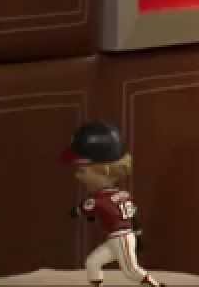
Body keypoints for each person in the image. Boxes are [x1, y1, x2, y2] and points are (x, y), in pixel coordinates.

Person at [62, 120, 162, 287]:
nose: (77, 176)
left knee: (131, 271)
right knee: (92, 262)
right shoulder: (123, 195)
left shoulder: (98, 199)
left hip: (121, 237)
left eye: (82, 170)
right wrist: (138, 235)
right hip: (119, 238)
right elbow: (133, 217)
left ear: (105, 170)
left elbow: (83, 209)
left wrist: (77, 212)